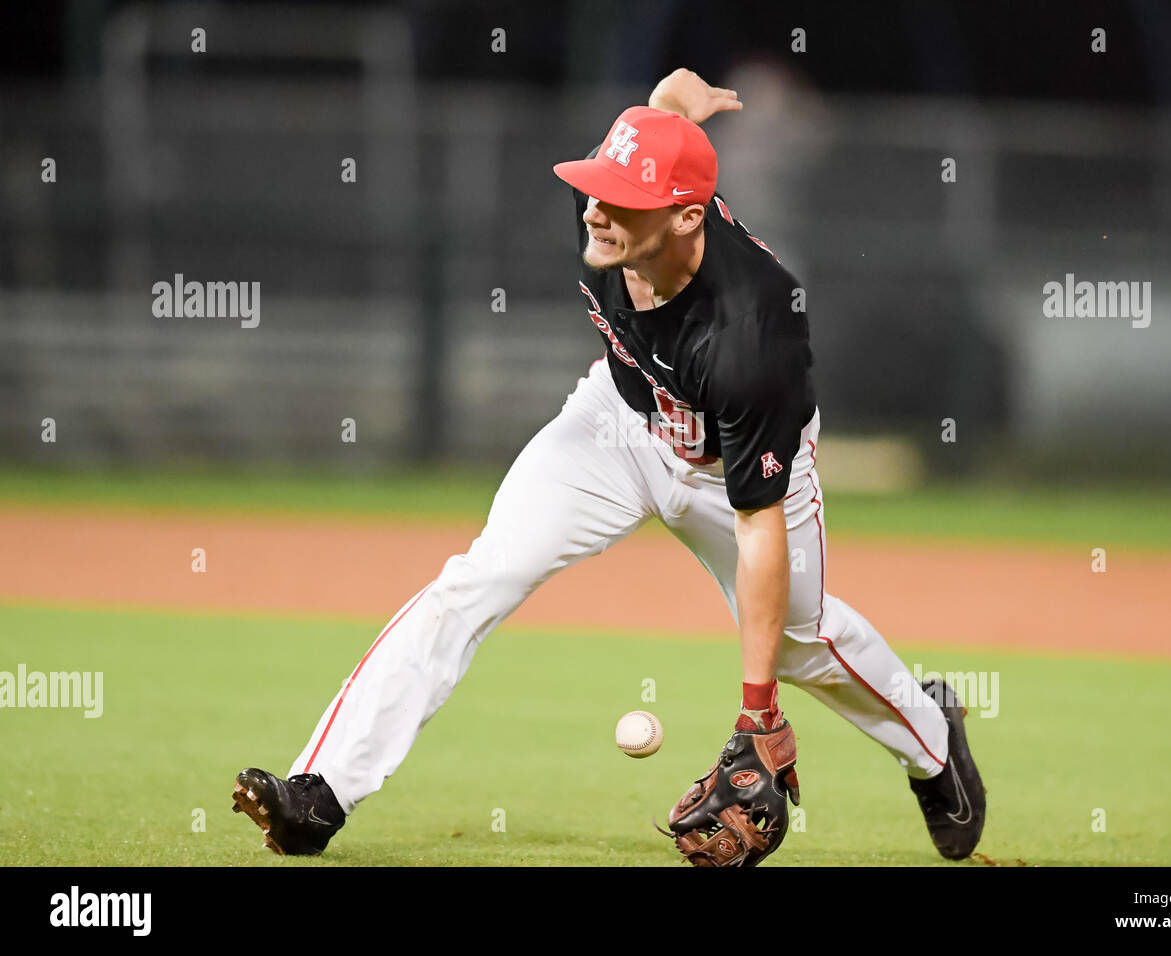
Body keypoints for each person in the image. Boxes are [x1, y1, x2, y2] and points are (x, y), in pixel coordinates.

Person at [231, 68, 985, 865]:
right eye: (597, 188)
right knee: (480, 576)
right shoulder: (610, 207)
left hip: (729, 471)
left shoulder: (754, 335)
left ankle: (933, 744)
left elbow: (759, 524)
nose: (596, 207)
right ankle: (319, 794)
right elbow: (652, 132)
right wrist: (673, 107)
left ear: (688, 217)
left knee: (801, 643)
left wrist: (756, 711)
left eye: (624, 198)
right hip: (616, 424)